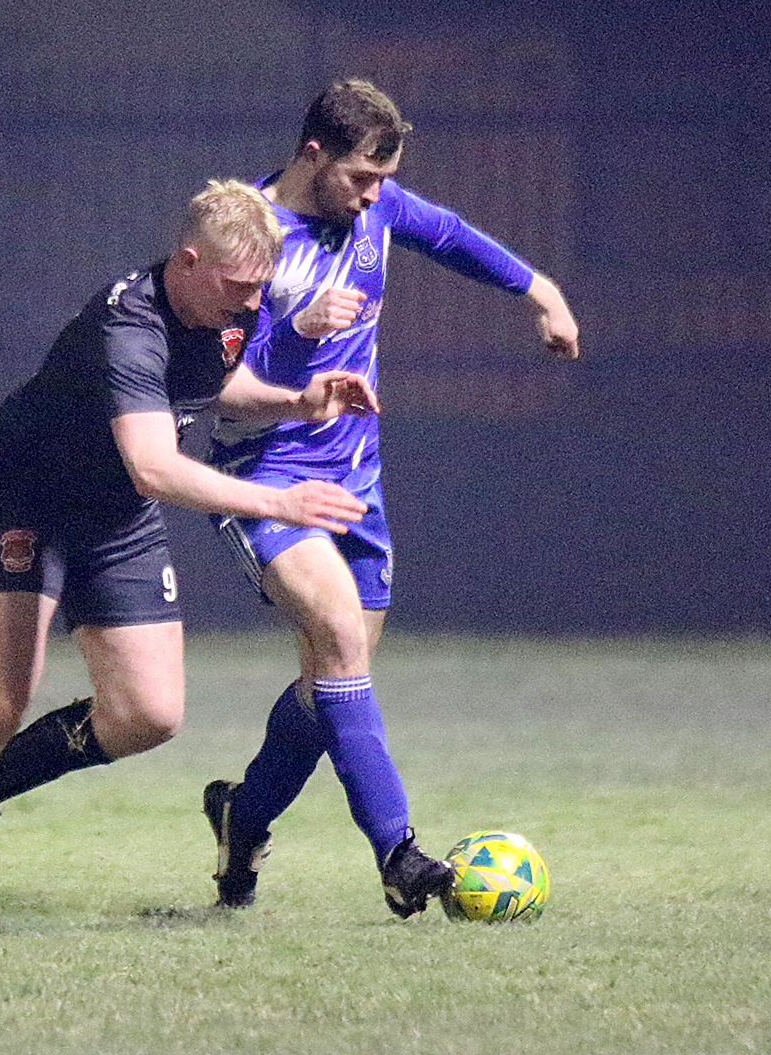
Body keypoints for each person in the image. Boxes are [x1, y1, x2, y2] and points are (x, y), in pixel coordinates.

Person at [0, 179, 379, 917]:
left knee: (148, 714)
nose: (250, 303)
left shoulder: (226, 310)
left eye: (259, 289)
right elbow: (154, 463)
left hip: (116, 514)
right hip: (31, 499)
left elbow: (211, 383)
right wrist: (279, 501)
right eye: (238, 286)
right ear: (187, 261)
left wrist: (296, 402)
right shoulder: (127, 328)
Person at [198, 79, 581, 918]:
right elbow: (218, 389)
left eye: (383, 181)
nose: (375, 198)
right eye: (361, 179)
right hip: (265, 478)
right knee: (337, 638)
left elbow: (450, 237)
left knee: (332, 678)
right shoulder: (249, 238)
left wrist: (540, 291)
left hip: (356, 481)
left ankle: (242, 816)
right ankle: (399, 854)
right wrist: (292, 334)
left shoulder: (375, 207)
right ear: (313, 156)